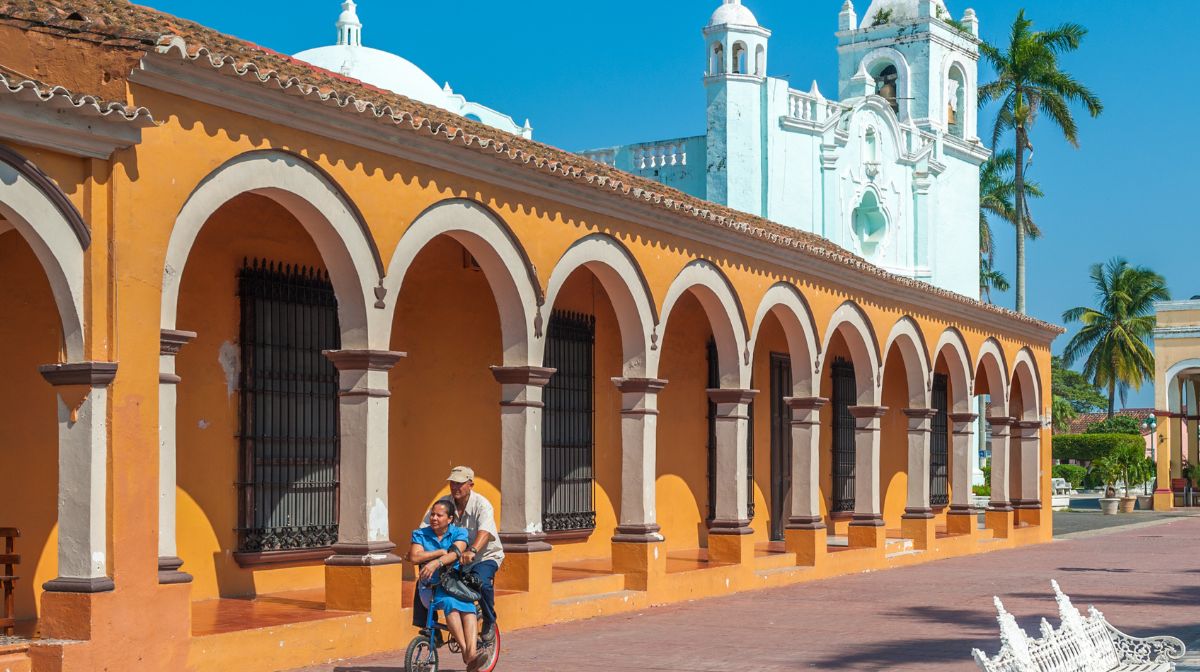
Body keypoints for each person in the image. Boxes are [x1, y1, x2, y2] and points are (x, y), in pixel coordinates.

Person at [412, 466, 504, 644]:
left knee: (481, 583)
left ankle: (489, 620)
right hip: (455, 558)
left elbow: (484, 532)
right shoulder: (444, 503)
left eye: (460, 483)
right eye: (452, 483)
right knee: (425, 581)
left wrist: (473, 550)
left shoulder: (482, 504)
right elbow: (425, 528)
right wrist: (417, 550)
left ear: (470, 484)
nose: (455, 487)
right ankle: (429, 628)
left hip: (483, 556)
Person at [409, 499, 482, 671]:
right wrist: (440, 553)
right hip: (431, 587)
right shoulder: (420, 533)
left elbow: (456, 553)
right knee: (450, 604)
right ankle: (468, 654)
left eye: (439, 515)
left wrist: (436, 562)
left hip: (454, 584)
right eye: (432, 514)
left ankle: (471, 653)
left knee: (468, 608)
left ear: (449, 519)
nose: (434, 518)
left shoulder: (459, 533)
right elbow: (414, 557)